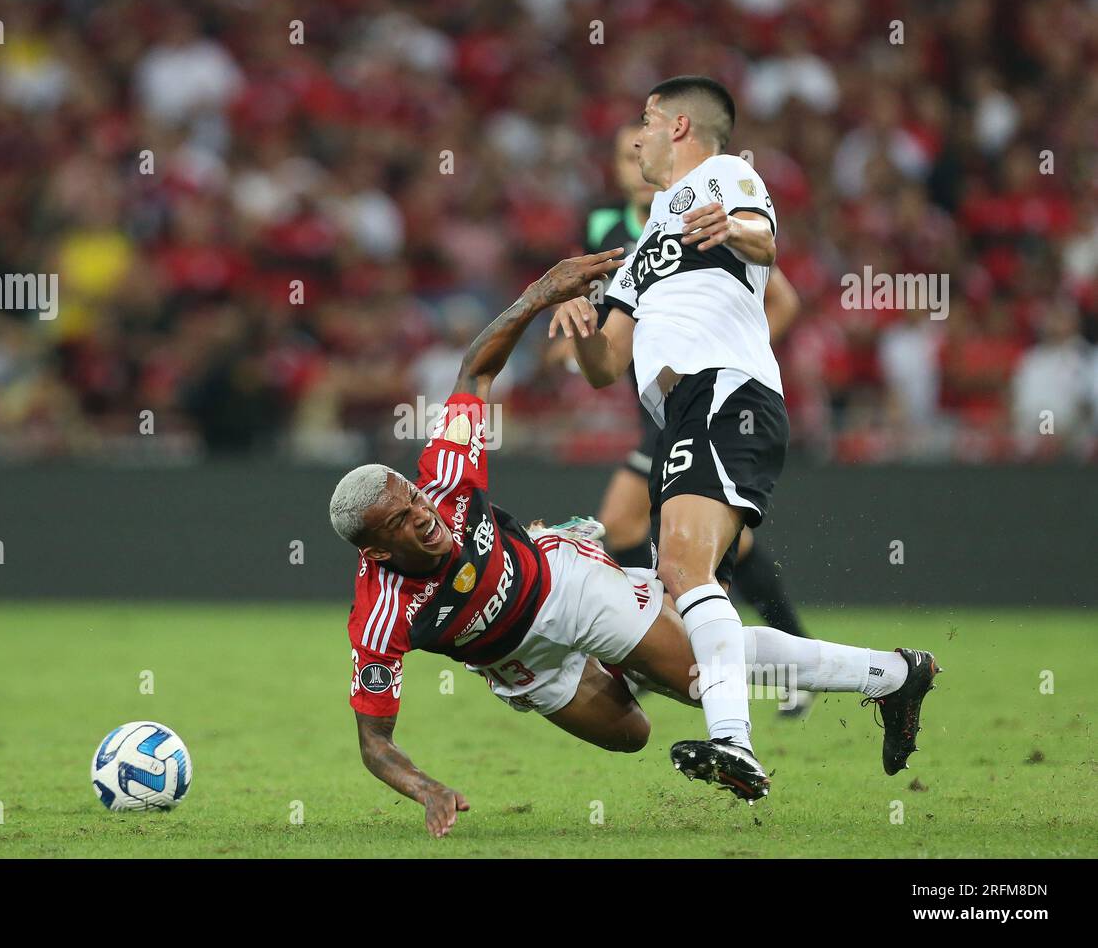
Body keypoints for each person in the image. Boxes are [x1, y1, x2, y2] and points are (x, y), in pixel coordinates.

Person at [330, 250, 940, 836]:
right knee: (633, 735)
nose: (424, 513)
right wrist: (426, 788)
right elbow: (373, 745)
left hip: (566, 587)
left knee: (699, 678)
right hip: (523, 666)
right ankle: (644, 646)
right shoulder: (380, 617)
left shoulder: (447, 477)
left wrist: (539, 294)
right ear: (377, 552)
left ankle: (888, 674)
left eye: (412, 496)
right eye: (402, 520)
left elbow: (476, 370)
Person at [548, 76, 936, 799]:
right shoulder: (641, 250)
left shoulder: (720, 177)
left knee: (686, 574)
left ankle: (734, 743)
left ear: (683, 126)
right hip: (682, 417)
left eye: (647, 120)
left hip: (727, 391)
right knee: (692, 623)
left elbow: (764, 237)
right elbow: (606, 367)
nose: (636, 136)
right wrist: (577, 328)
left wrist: (735, 228)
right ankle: (895, 676)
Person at [571, 124, 814, 718]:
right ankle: (785, 661)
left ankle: (653, 654)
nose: (634, 155)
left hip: (705, 394)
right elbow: (611, 335)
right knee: (709, 548)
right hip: (657, 401)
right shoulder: (609, 231)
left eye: (644, 141)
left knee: (628, 525)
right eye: (624, 146)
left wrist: (725, 353)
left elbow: (779, 294)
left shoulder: (696, 208)